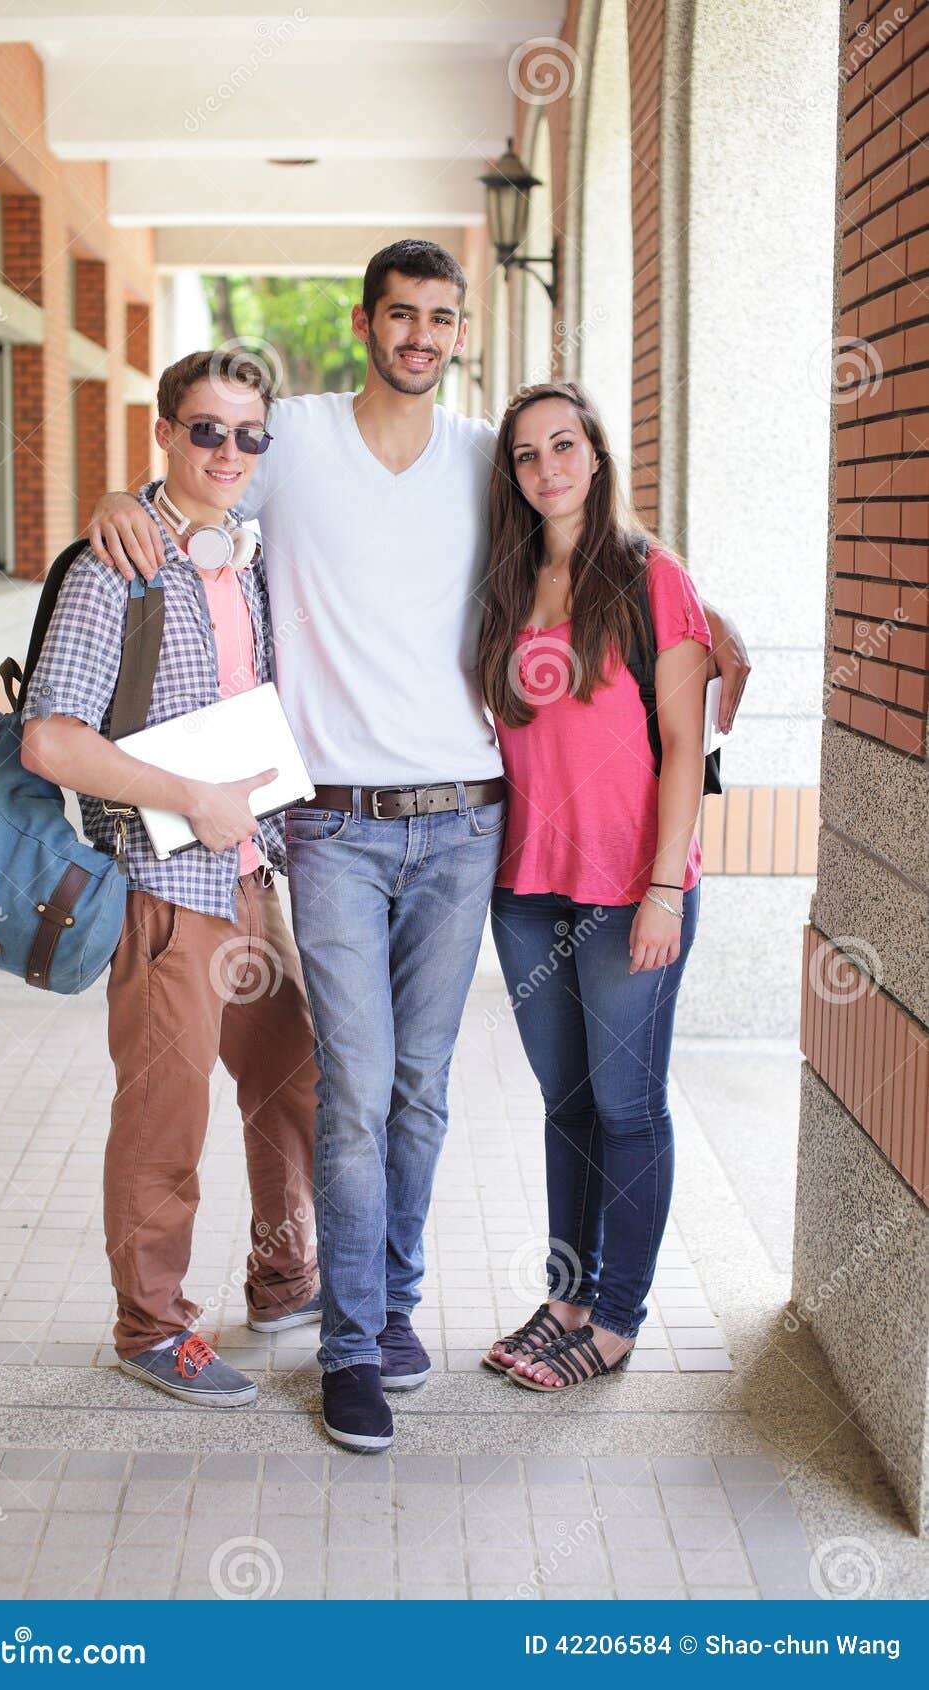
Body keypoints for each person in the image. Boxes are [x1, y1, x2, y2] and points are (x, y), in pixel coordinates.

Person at [86, 240, 750, 1451]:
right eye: (401, 315)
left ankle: (394, 1306)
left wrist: (702, 616)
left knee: (420, 1091)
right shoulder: (289, 443)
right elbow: (196, 481)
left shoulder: (483, 458)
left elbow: (595, 545)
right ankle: (349, 1348)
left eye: (442, 318)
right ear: (363, 322)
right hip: (334, 827)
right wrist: (120, 511)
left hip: (465, 827)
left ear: (456, 333)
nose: (422, 335)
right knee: (352, 1091)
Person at [19, 350, 320, 1407]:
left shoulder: (246, 560)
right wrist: (192, 799)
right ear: (163, 433)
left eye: (248, 435)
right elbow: (50, 742)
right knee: (165, 1115)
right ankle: (151, 1326)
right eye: (205, 430)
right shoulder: (116, 566)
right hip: (163, 894)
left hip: (250, 880)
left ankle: (284, 1281)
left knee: (292, 1088)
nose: (227, 453)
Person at [480, 381, 708, 1391]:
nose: (547, 468)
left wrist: (664, 886)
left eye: (562, 445)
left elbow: (679, 746)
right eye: (526, 455)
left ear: (596, 453)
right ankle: (565, 1298)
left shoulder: (652, 578)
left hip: (628, 890)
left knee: (625, 1105)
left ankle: (614, 1321)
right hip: (527, 885)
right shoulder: (505, 581)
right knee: (564, 1101)